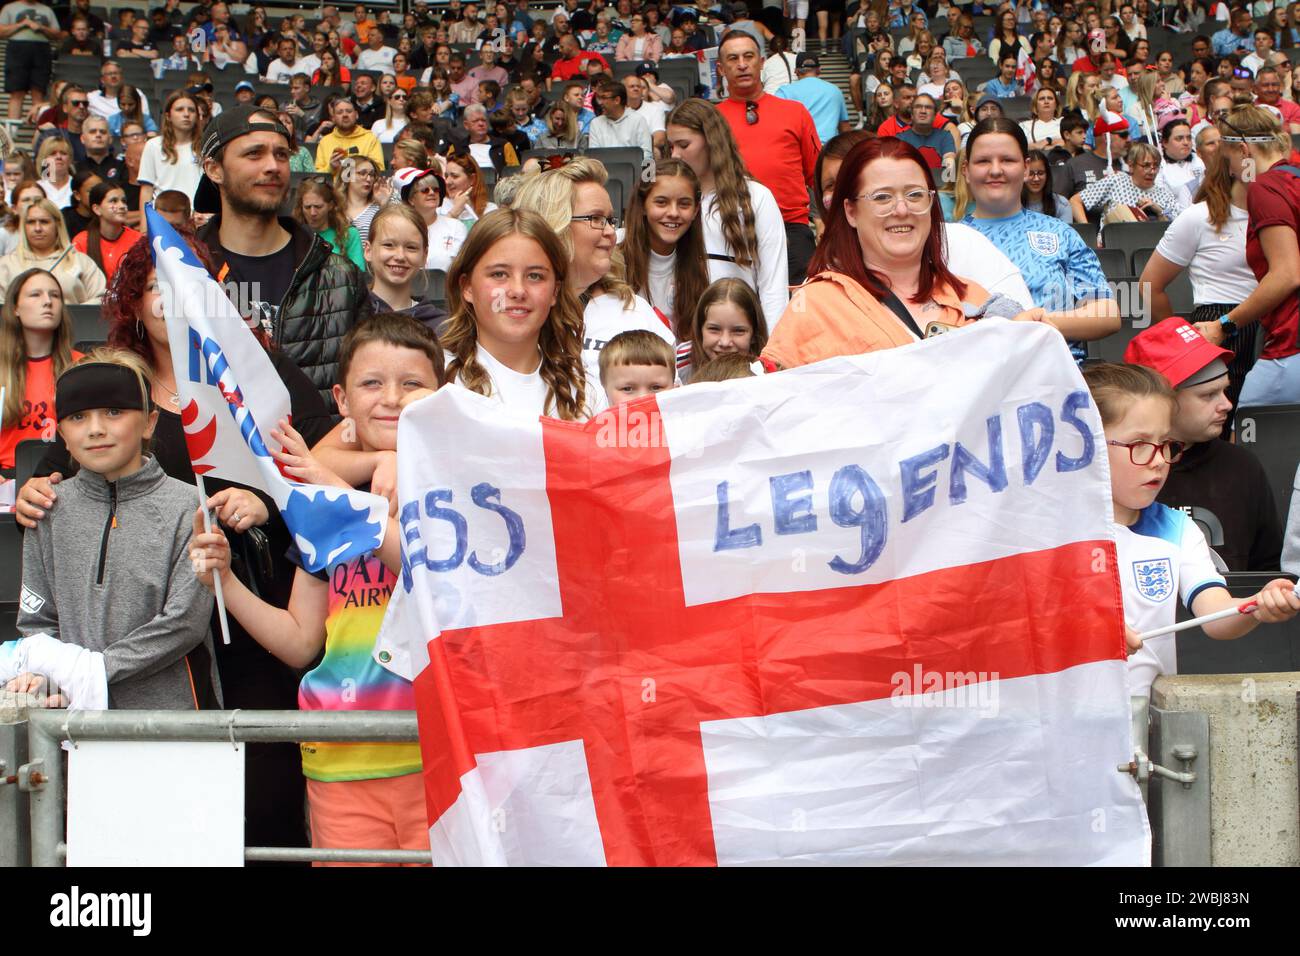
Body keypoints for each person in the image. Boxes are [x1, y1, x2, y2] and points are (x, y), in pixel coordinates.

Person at [190, 314, 439, 865]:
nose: (392, 398)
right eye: (371, 384)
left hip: (441, 759)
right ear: (340, 400)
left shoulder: (457, 490)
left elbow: (438, 585)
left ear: (441, 394)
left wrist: (357, 478)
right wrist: (226, 582)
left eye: (413, 383)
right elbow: (302, 642)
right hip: (340, 761)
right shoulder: (318, 512)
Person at [11, 349, 218, 710]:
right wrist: (55, 675)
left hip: (174, 723)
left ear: (150, 422)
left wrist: (93, 670)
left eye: (114, 412)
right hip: (73, 727)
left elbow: (185, 622)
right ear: (61, 432)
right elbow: (37, 620)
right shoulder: (47, 508)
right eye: (77, 417)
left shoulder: (189, 507)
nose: (95, 429)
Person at [1081, 362, 1300, 700]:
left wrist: (1257, 605)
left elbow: (1216, 617)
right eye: (1139, 443)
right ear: (1086, 444)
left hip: (1143, 723)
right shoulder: (1047, 533)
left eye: (1166, 444)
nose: (1158, 460)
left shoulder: (1178, 529)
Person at [763, 137, 1000, 370]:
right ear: (851, 211)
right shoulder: (815, 305)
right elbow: (771, 399)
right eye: (882, 197)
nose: (901, 209)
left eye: (915, 194)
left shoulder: (972, 296)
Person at [193, 104, 372, 401]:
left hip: (320, 444)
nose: (273, 166)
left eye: (281, 154)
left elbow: (368, 381)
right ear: (214, 169)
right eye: (254, 154)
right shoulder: (186, 270)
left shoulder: (339, 276)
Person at [1124, 318, 1282, 571]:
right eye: (1208, 395)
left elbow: (1268, 568)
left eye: (1225, 391)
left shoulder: (1241, 466)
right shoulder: (1118, 472)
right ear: (1161, 399)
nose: (1227, 405)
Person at [961, 119, 1120, 364]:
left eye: (1007, 160)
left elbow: (1106, 313)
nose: (995, 170)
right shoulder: (949, 240)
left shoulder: (1059, 232)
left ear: (1025, 168)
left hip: (1059, 373)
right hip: (979, 376)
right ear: (966, 170)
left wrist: (1036, 322)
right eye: (983, 161)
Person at [1142, 143, 1258, 419]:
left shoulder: (1277, 214)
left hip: (1273, 323)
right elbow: (1149, 284)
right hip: (1221, 322)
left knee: (1264, 422)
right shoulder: (1197, 217)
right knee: (1223, 419)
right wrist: (1181, 340)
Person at [1194, 105, 1300, 405]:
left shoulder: (1264, 188)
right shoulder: (1294, 179)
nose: (1228, 171)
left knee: (1246, 437)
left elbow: (1287, 274)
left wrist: (1223, 325)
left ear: (1243, 150)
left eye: (1227, 160)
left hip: (1290, 346)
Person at [666, 99, 790, 333]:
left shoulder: (757, 197)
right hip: (682, 336)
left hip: (737, 336)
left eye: (684, 145)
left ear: (711, 142)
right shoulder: (669, 203)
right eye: (671, 147)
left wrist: (770, 353)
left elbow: (772, 285)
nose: (675, 155)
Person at [715, 34, 821, 285]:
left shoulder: (795, 112)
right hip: (730, 232)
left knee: (797, 311)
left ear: (761, 62)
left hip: (791, 230)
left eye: (748, 56)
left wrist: (824, 220)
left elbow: (817, 175)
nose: (742, 64)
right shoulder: (710, 120)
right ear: (720, 68)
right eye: (733, 58)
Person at [0, 268, 80, 469]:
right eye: (35, 294)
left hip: (64, 477)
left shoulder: (81, 366)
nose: (48, 301)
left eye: (55, 295)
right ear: (15, 308)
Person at [621, 158, 709, 340]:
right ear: (643, 205)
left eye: (684, 204)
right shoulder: (613, 251)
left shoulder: (701, 266)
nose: (673, 213)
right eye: (661, 202)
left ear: (695, 210)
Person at [0, 199, 105, 304]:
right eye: (31, 222)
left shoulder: (81, 261)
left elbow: (100, 299)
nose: (37, 228)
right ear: (23, 227)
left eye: (44, 222)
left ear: (57, 225)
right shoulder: (6, 264)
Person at [363, 203, 447, 331]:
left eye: (411, 247)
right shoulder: (348, 316)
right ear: (368, 250)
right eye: (389, 245)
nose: (400, 256)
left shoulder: (440, 326)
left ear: (424, 256)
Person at [1073, 140, 1183, 225]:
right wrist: (1089, 235)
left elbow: (1176, 229)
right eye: (1146, 166)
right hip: (1113, 245)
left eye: (1156, 166)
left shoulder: (1165, 195)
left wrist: (1159, 211)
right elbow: (1075, 201)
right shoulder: (1116, 181)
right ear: (1131, 166)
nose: (1152, 171)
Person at [681, 277, 767, 383]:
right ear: (700, 330)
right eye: (714, 329)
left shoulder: (769, 374)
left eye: (738, 331)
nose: (725, 342)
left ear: (754, 334)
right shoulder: (677, 365)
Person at [137, 91, 202, 212]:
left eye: (191, 110)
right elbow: (146, 189)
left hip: (198, 217)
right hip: (163, 217)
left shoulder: (205, 146)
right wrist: (145, 228)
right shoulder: (153, 145)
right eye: (180, 109)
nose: (186, 114)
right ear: (168, 116)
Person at [393, 166, 466, 272]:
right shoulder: (399, 229)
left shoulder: (456, 227)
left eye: (436, 189)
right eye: (425, 190)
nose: (431, 193)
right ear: (411, 199)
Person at [0, 0, 60, 122]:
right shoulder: (9, 7)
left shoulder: (47, 10)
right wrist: (21, 24)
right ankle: (12, 133)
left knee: (38, 92)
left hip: (42, 50)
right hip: (17, 49)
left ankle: (40, 131)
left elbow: (57, 33)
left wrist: (41, 27)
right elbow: (1, 31)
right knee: (17, 92)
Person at [71, 181, 141, 283]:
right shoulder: (81, 242)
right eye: (114, 201)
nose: (122, 206)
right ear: (97, 209)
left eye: (124, 201)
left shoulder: (138, 240)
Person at [775, 54, 850, 148]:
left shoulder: (784, 92)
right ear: (819, 70)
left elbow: (775, 125)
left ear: (796, 71)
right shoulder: (835, 90)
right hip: (828, 151)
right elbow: (844, 127)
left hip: (799, 150)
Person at [293, 177, 365, 271]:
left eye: (318, 207)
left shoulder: (349, 234)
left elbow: (358, 275)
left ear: (330, 206)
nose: (312, 213)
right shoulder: (293, 235)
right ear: (301, 207)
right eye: (307, 207)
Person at [600, 328, 676, 405]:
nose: (642, 398)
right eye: (627, 389)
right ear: (606, 390)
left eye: (656, 387)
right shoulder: (598, 417)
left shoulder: (685, 416)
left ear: (675, 389)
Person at [587, 79, 654, 166]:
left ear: (617, 100)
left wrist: (649, 179)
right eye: (600, 98)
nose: (600, 103)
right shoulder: (595, 123)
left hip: (635, 174)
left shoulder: (638, 120)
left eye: (604, 98)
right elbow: (594, 158)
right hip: (604, 175)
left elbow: (648, 156)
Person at [314, 97, 385, 174]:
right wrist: (331, 168)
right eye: (340, 112)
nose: (345, 115)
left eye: (349, 111)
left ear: (356, 115)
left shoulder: (370, 139)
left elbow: (379, 169)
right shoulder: (325, 141)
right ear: (333, 118)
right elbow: (318, 174)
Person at [897, 94, 955, 174]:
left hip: (939, 184)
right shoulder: (900, 139)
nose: (923, 111)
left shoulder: (945, 136)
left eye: (928, 107)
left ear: (935, 115)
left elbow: (949, 162)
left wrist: (948, 180)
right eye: (918, 107)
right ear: (912, 115)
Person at [440, 151, 497, 229]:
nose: (447, 182)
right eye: (446, 176)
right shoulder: (438, 209)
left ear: (472, 179)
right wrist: (453, 213)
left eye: (455, 176)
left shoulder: (490, 211)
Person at [1023, 148, 1073, 224]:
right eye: (1031, 173)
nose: (1036, 179)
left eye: (1040, 173)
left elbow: (1066, 235)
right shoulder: (1011, 204)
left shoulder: (1062, 204)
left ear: (1047, 175)